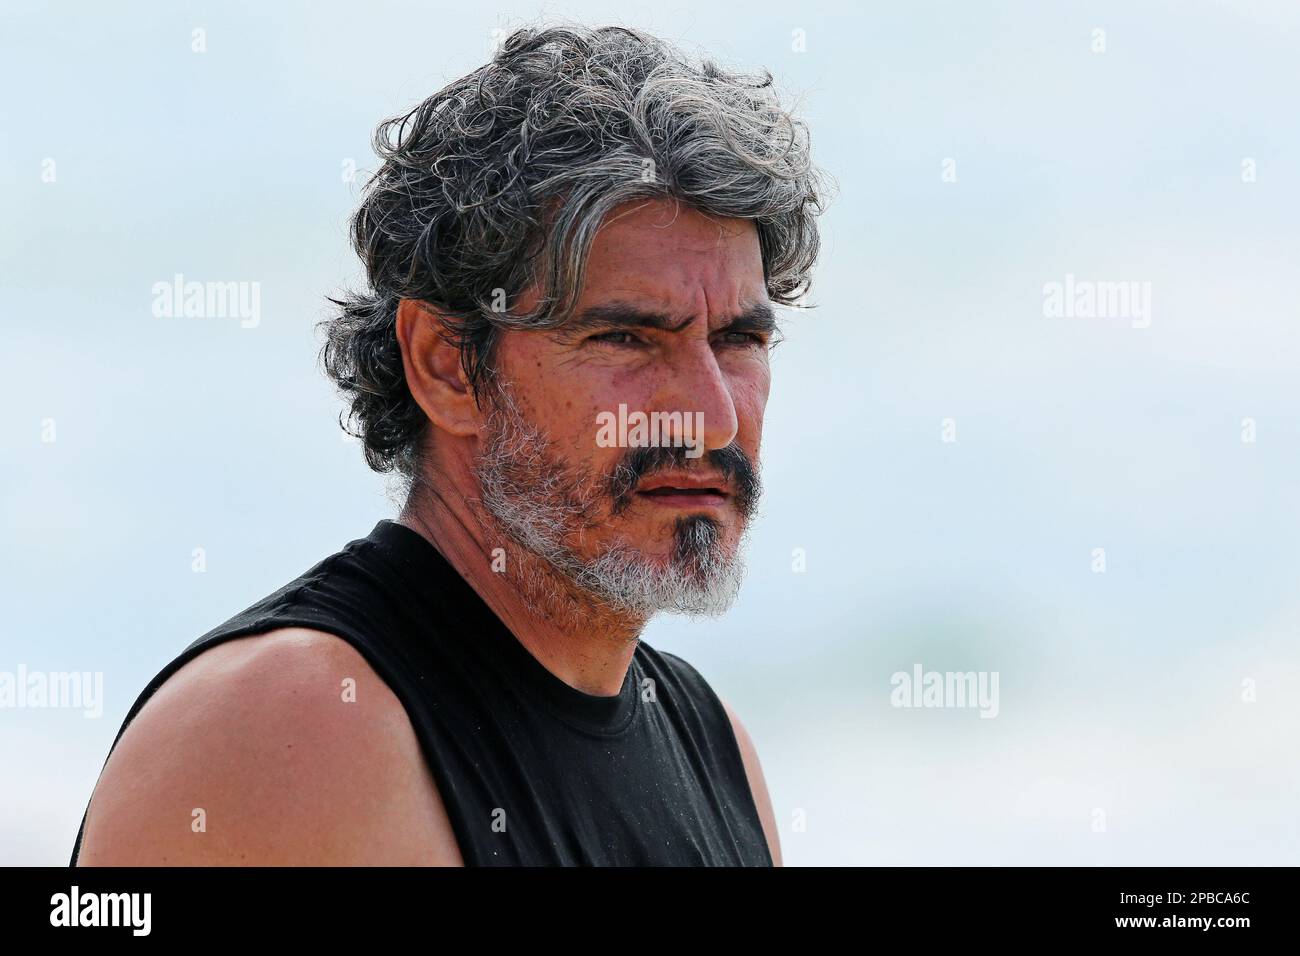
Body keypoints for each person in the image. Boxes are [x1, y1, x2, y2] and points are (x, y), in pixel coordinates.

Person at [71, 22, 826, 866]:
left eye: (738, 340)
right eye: (626, 338)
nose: (713, 418)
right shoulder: (293, 727)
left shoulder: (713, 748)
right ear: (446, 364)